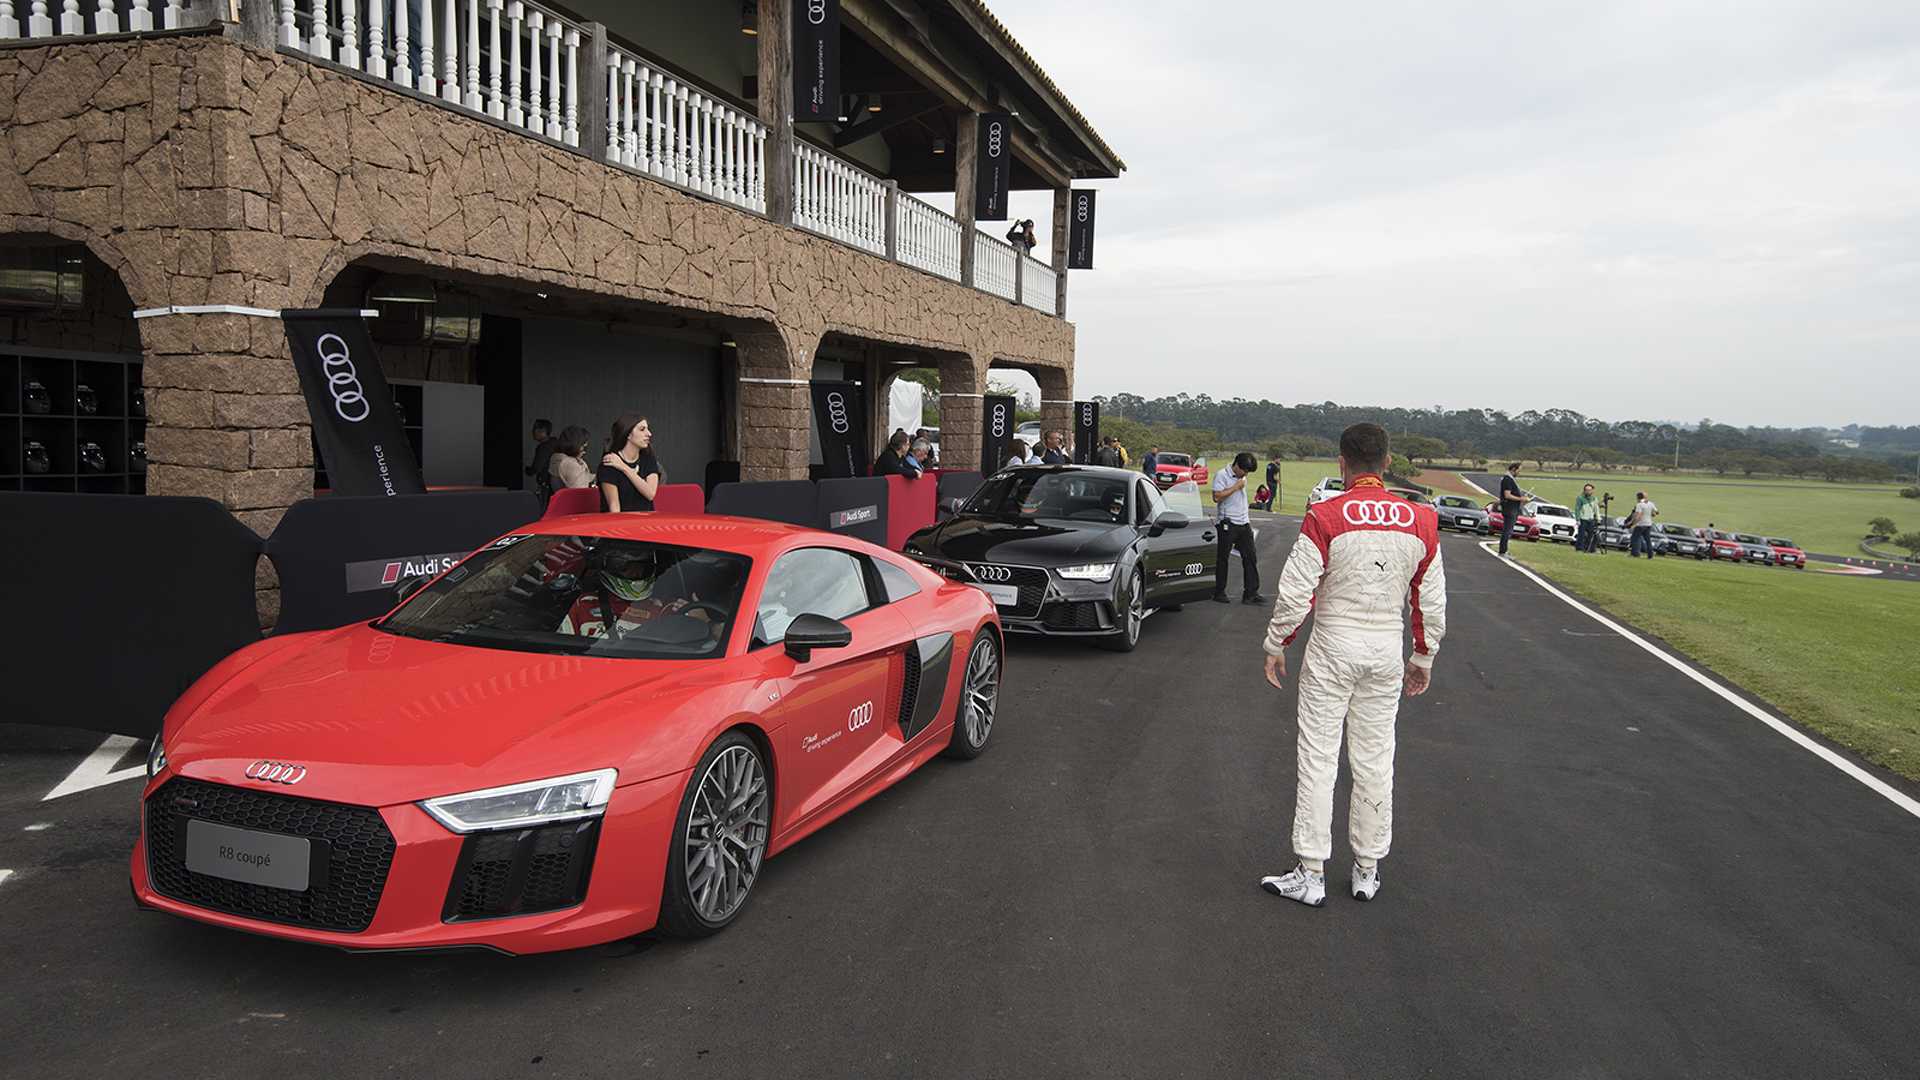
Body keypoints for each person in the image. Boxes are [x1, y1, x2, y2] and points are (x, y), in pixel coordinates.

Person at [1258, 422, 1447, 907]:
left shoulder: (1325, 514)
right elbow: (1431, 598)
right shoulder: (1421, 518)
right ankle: (1367, 868)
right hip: (1385, 646)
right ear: (1387, 463)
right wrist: (1422, 655)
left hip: (1333, 645)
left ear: (1341, 463)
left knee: (1319, 757)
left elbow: (1297, 587)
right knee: (1375, 759)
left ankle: (1311, 870)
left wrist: (1277, 641)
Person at [1211, 451, 1265, 605]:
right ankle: (1219, 592)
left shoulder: (1242, 477)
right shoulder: (1222, 475)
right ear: (1236, 465)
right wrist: (1235, 486)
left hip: (1243, 522)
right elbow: (1216, 497)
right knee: (1223, 558)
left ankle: (1250, 593)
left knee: (1250, 557)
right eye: (1245, 470)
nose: (1246, 474)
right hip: (1227, 523)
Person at [598, 413, 661, 512]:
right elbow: (614, 507)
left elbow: (650, 494)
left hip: (646, 523)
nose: (649, 433)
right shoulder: (609, 462)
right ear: (628, 434)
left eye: (648, 429)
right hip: (622, 524)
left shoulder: (648, 459)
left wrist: (623, 467)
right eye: (642, 429)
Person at [549, 425, 595, 491]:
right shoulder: (569, 463)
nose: (584, 451)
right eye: (583, 447)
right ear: (574, 445)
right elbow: (580, 490)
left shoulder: (558, 458)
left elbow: (585, 477)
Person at [1497, 462, 1527, 556]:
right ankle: (1503, 551)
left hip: (1513, 508)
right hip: (1510, 508)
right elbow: (1507, 495)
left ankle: (1504, 550)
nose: (1519, 473)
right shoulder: (1508, 479)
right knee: (1507, 530)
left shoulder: (1510, 479)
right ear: (1514, 469)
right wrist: (1521, 499)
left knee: (1508, 530)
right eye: (1519, 470)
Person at [526, 418, 559, 496]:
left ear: (543, 431)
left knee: (544, 506)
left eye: (535, 429)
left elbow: (537, 467)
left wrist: (528, 470)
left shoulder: (544, 447)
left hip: (547, 484)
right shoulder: (555, 443)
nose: (533, 432)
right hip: (557, 484)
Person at [1628, 491, 1659, 558]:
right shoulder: (1651, 503)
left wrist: (1631, 523)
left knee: (1635, 538)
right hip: (1649, 524)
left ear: (1638, 497)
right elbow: (1656, 512)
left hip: (1641, 524)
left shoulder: (1639, 504)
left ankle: (1635, 554)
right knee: (1648, 540)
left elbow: (1637, 515)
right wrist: (1651, 514)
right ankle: (1650, 555)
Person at [1572, 483, 1600, 553]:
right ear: (1584, 491)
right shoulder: (1580, 498)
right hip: (1583, 519)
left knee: (1590, 535)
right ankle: (1579, 548)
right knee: (1581, 534)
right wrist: (1578, 519)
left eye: (1590, 490)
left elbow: (1596, 509)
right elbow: (1577, 509)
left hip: (1591, 519)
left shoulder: (1594, 499)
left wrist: (1598, 518)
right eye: (1587, 490)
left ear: (1592, 491)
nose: (1588, 491)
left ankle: (1587, 548)